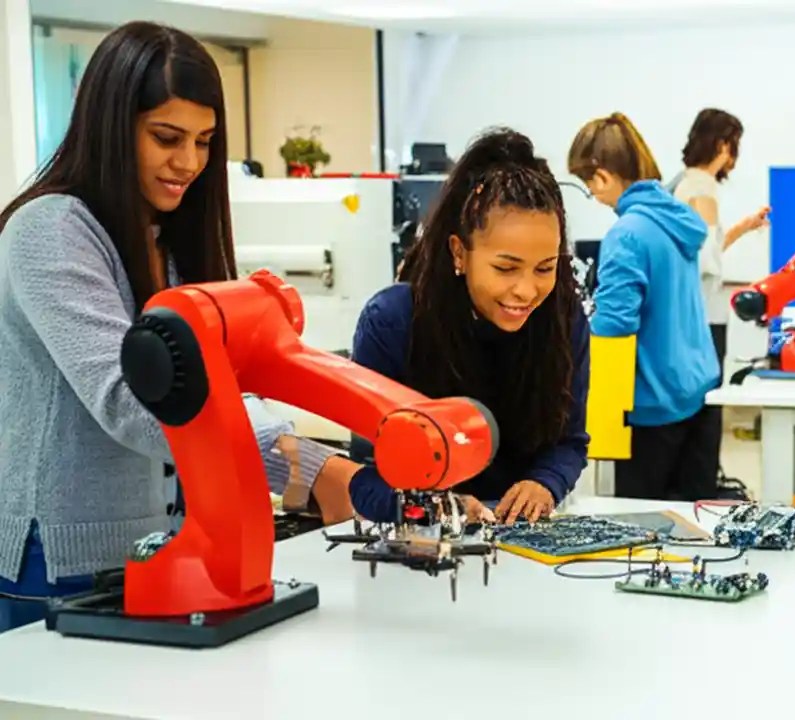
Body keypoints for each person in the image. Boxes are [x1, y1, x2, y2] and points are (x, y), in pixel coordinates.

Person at [0, 22, 358, 632]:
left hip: (161, 546)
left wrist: (305, 456)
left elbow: (217, 382)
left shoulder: (168, 241)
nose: (189, 162)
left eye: (204, 141)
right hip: (58, 563)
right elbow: (127, 397)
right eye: (167, 137)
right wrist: (305, 465)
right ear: (114, 127)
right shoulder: (51, 231)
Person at [347, 127, 589, 525]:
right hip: (420, 551)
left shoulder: (563, 317)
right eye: (505, 268)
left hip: (521, 543)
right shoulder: (394, 323)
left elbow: (569, 441)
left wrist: (544, 483)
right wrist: (435, 507)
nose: (526, 290)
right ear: (460, 252)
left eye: (546, 268)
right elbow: (365, 474)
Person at [568, 112, 721, 501]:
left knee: (641, 538)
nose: (594, 196)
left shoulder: (627, 233)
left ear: (600, 176)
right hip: (696, 393)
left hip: (652, 410)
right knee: (691, 533)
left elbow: (614, 325)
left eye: (589, 185)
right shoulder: (675, 221)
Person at [668, 108, 770, 372]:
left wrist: (745, 226)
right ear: (723, 145)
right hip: (700, 315)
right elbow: (706, 262)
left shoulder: (684, 183)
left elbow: (706, 249)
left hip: (684, 313)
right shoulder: (703, 188)